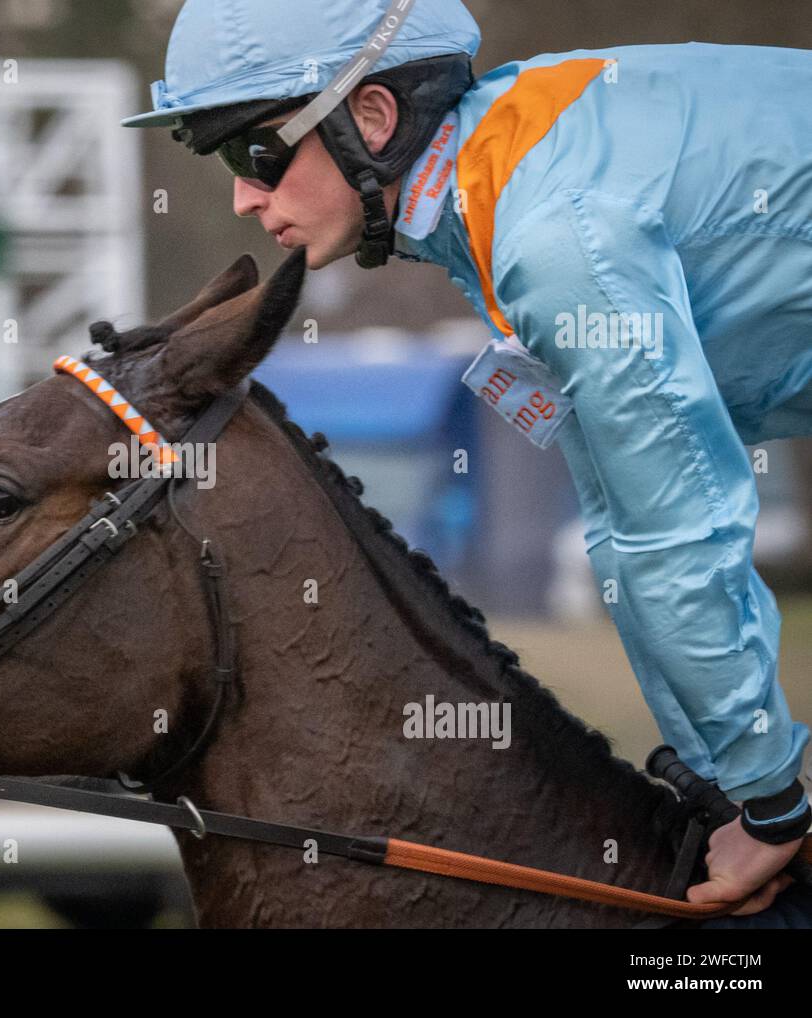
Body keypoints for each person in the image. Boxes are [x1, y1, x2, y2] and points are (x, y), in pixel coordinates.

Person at [122, 0, 812, 919]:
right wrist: (734, 783)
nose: (245, 198)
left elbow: (674, 527)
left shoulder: (550, 235)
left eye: (256, 154)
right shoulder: (496, 185)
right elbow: (621, 526)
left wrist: (772, 801)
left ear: (371, 118)